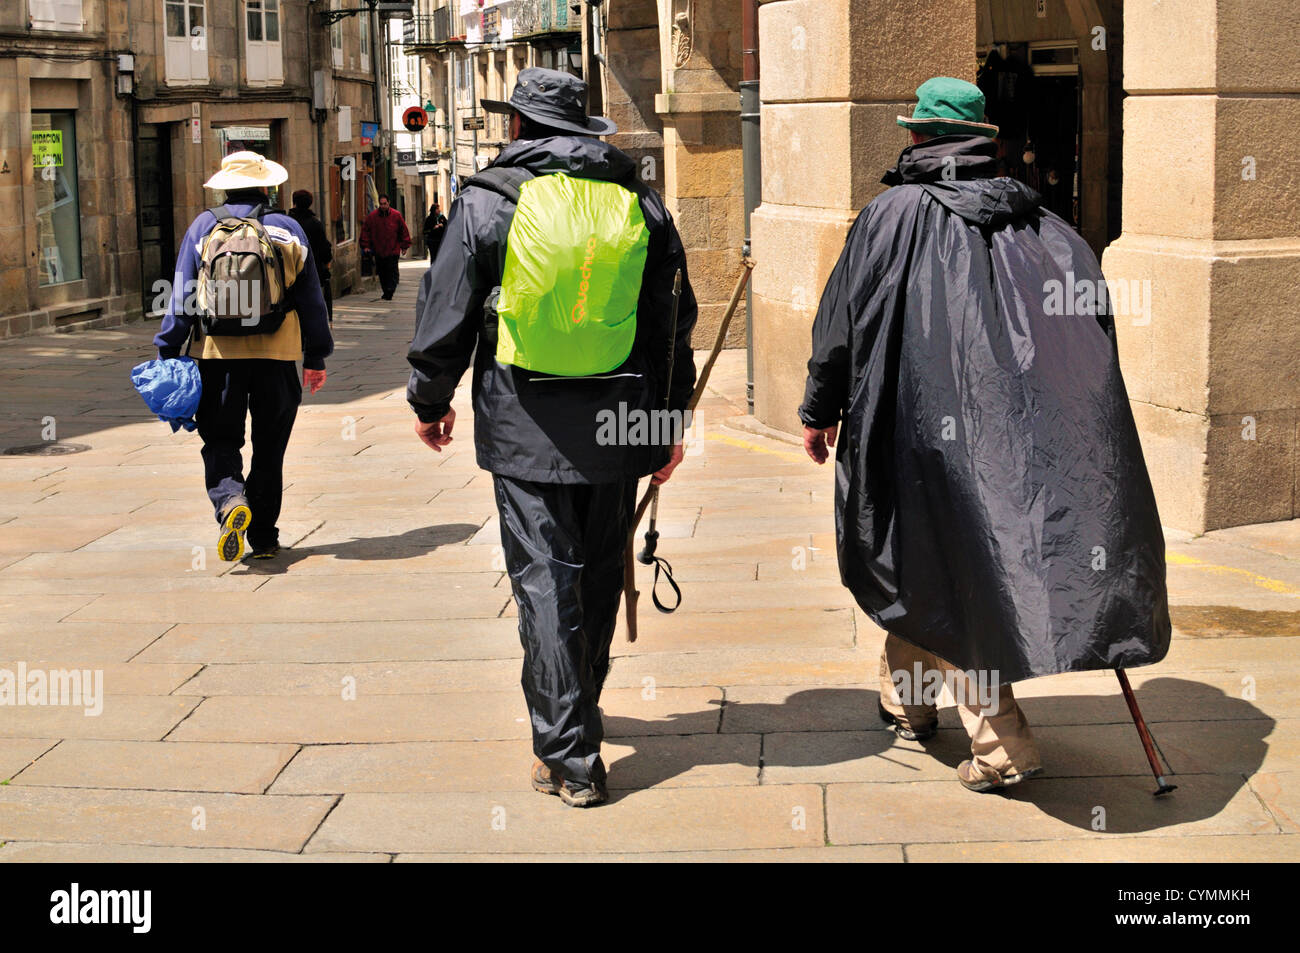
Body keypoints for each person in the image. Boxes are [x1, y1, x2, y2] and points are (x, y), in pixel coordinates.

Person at [800, 78, 1171, 793]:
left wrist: (820, 408)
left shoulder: (889, 216)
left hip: (918, 431)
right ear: (982, 144)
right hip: (1007, 434)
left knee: (944, 564)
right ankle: (906, 695)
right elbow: (1091, 341)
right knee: (924, 558)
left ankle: (1003, 741)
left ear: (918, 139)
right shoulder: (1048, 228)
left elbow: (840, 327)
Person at [406, 67, 697, 808]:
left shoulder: (486, 201)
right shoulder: (639, 200)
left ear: (518, 127)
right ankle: (578, 715)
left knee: (544, 579)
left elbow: (446, 312)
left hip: (522, 419)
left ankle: (569, 754)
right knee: (598, 573)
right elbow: (672, 320)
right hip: (620, 419)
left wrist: (430, 397)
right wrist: (667, 423)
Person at [154, 151, 333, 561]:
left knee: (219, 438)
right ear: (267, 186)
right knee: (270, 447)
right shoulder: (288, 229)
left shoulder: (203, 226)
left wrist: (168, 347)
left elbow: (181, 293)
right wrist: (316, 356)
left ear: (223, 186)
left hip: (216, 356)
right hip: (278, 354)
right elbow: (311, 299)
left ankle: (231, 499)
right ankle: (265, 537)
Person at [288, 189, 334, 323]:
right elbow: (324, 247)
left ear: (294, 202)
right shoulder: (315, 223)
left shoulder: (288, 222)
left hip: (291, 270)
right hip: (313, 270)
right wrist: (326, 262)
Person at [360, 195, 411, 300]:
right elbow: (365, 231)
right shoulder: (372, 217)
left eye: (385, 203)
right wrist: (366, 246)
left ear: (389, 203)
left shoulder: (396, 215)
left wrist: (404, 246)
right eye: (381, 204)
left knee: (392, 271)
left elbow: (403, 230)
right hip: (379, 249)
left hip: (393, 249)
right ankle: (386, 290)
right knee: (382, 272)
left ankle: (390, 290)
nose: (383, 206)